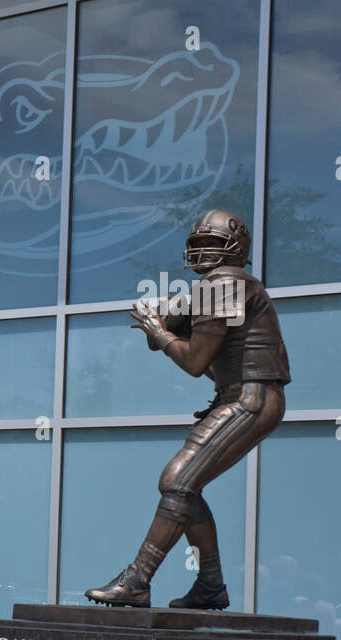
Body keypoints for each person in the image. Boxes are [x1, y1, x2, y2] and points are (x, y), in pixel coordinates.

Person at [86, 209, 290, 608]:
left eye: (211, 244)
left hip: (251, 396)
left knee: (177, 479)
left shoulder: (227, 281)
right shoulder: (216, 287)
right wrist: (166, 317)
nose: (201, 252)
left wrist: (160, 330)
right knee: (183, 486)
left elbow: (194, 362)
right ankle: (210, 585)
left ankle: (138, 578)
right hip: (243, 397)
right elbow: (170, 332)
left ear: (235, 249)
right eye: (197, 244)